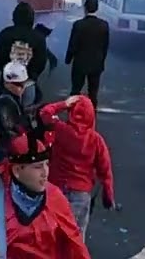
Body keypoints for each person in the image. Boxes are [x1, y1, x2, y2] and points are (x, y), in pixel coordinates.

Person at [0, 116, 91, 259]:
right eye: (37, 167)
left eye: (47, 165)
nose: (45, 173)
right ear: (17, 170)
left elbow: (75, 246)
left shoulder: (55, 198)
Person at [37, 95, 116, 237]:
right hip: (81, 192)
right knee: (76, 235)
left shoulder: (61, 130)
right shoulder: (96, 140)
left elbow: (45, 113)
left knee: (52, 230)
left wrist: (64, 104)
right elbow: (105, 170)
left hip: (56, 187)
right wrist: (108, 195)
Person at [0, 1, 48, 89]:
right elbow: (41, 62)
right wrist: (33, 74)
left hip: (7, 79)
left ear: (14, 18)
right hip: (29, 81)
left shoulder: (5, 34)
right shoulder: (38, 37)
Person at [65, 0, 109, 107]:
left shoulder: (78, 25)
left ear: (85, 8)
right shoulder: (104, 25)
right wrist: (102, 61)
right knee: (93, 92)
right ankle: (92, 112)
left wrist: (68, 59)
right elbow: (105, 46)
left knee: (75, 90)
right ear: (97, 8)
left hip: (80, 63)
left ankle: (73, 111)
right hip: (96, 63)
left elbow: (73, 44)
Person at [0, 61, 38, 164]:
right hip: (6, 150)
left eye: (24, 84)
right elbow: (11, 129)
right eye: (18, 85)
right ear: (7, 83)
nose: (22, 88)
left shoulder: (14, 97)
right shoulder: (5, 102)